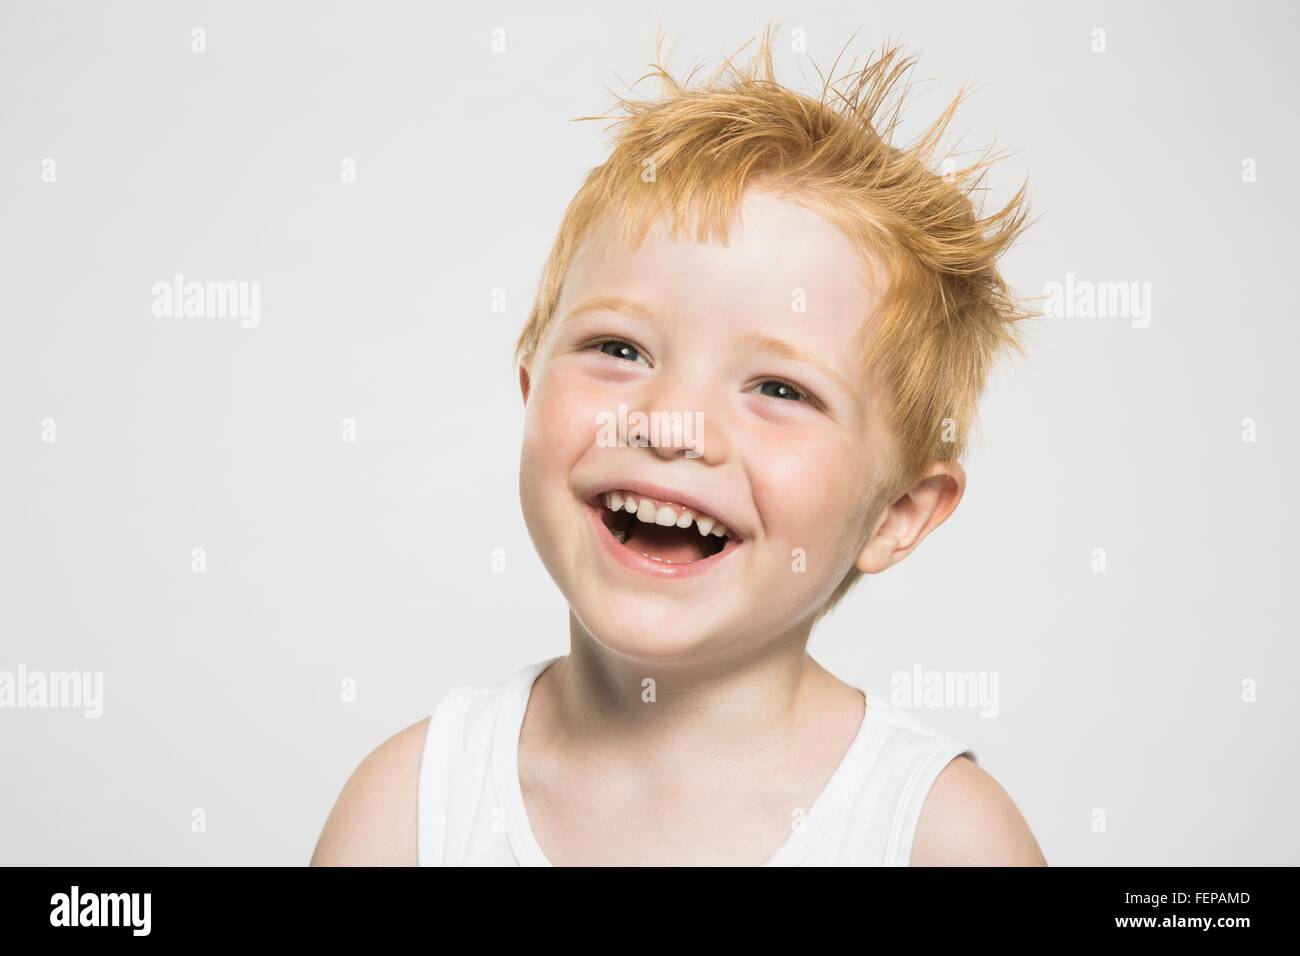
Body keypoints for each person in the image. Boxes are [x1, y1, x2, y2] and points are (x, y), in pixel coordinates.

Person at [312, 23, 1047, 866]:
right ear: (529, 391)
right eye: (619, 350)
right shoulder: (409, 809)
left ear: (897, 515)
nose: (672, 424)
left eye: (780, 389)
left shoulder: (938, 838)